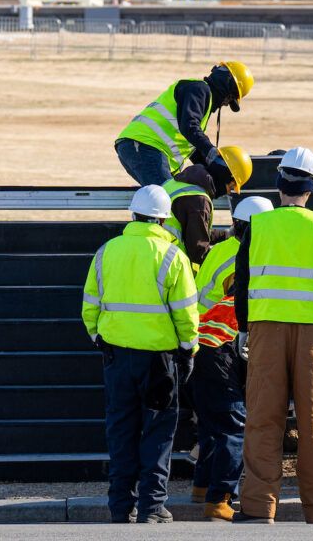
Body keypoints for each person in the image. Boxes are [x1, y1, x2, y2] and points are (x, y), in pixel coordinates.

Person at [235, 147, 313, 524]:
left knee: (262, 420)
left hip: (265, 332)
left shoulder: (258, 226)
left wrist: (243, 327)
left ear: (279, 183)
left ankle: (258, 508)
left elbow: (242, 284)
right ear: (312, 187)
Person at [81, 187, 200, 524]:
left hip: (116, 357)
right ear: (163, 219)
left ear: (132, 215)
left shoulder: (107, 251)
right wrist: (189, 350)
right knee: (158, 432)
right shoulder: (171, 256)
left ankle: (121, 506)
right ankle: (152, 507)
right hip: (159, 361)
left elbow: (89, 306)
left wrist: (99, 339)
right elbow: (187, 315)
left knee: (121, 430)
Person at [186, 194, 272, 521]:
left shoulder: (218, 252)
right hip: (223, 344)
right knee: (233, 425)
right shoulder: (246, 256)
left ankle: (201, 487)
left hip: (199, 343)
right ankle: (219, 500)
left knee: (213, 425)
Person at [115, 62, 255, 189]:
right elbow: (189, 127)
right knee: (170, 197)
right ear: (226, 86)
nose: (225, 103)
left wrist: (214, 169)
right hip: (146, 146)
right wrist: (211, 151)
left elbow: (192, 145)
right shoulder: (199, 90)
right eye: (230, 98)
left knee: (167, 198)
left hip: (143, 148)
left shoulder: (202, 101)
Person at [163, 145, 252, 266]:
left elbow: (192, 231)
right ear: (225, 176)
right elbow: (198, 252)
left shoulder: (179, 182)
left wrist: (226, 235)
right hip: (169, 263)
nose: (228, 192)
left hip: (154, 253)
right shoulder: (199, 201)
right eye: (231, 186)